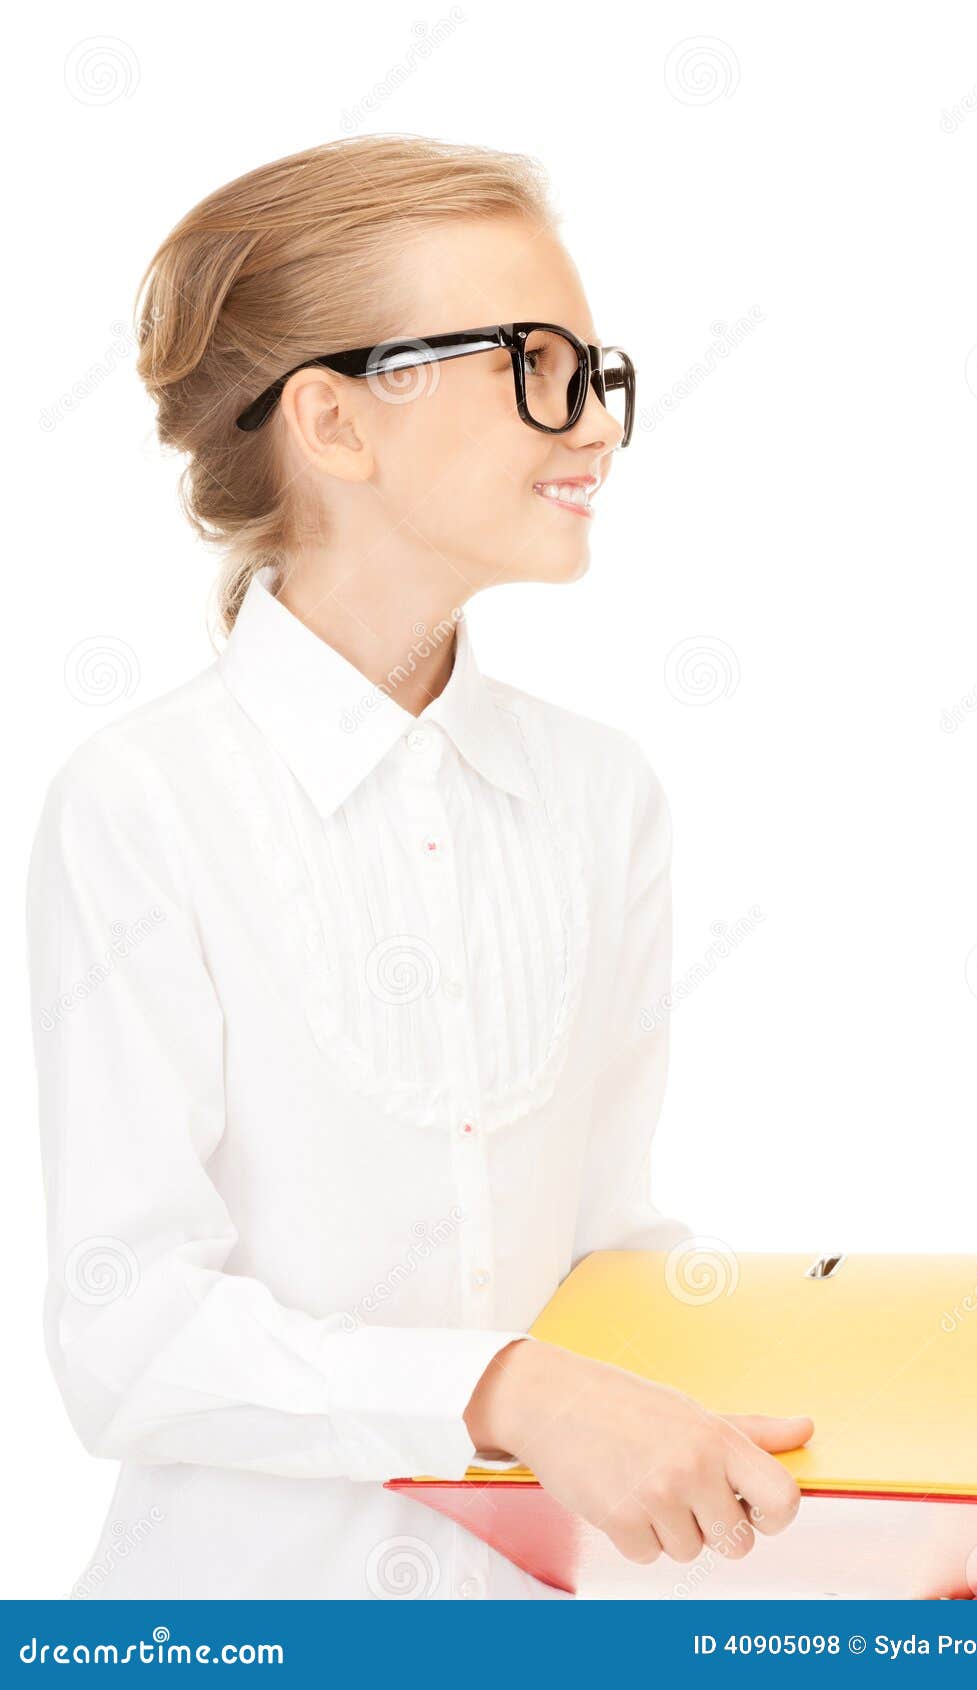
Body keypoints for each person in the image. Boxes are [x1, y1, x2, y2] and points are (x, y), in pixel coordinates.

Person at [25, 133, 813, 1600]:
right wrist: (502, 1388)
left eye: (595, 371)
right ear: (332, 420)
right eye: (533, 363)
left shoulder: (601, 794)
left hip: (540, 1626)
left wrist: (884, 1469)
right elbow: (125, 1338)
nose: (590, 425)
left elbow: (608, 1256)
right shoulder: (140, 803)